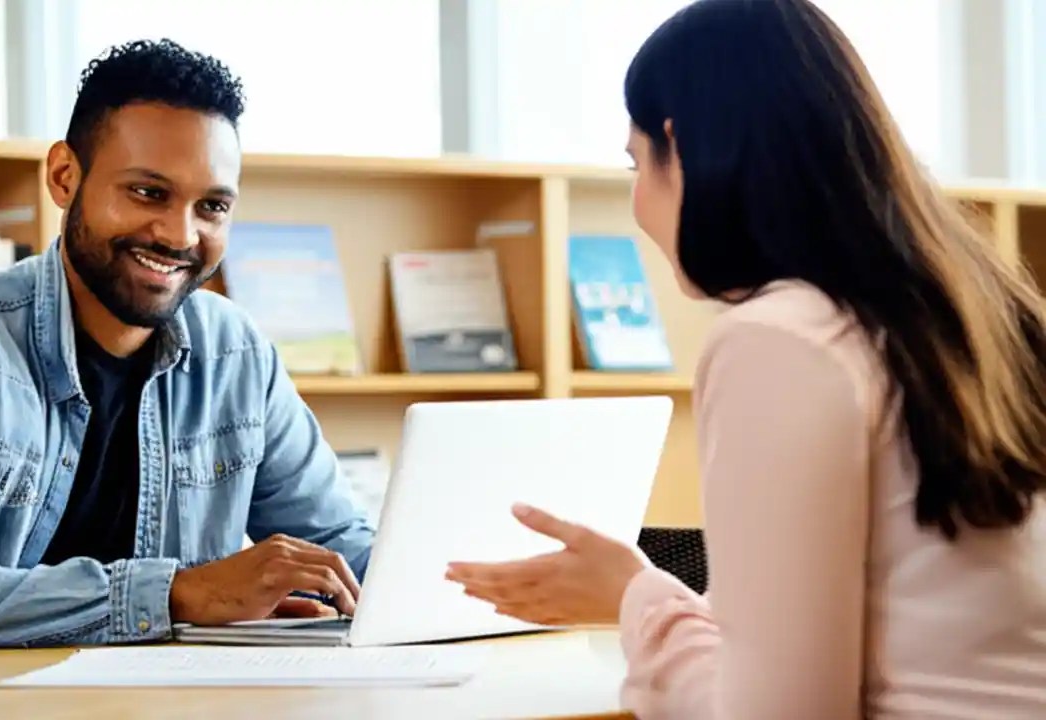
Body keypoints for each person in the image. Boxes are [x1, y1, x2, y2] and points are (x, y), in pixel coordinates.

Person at [445, 0, 1046, 717]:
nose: (638, 202)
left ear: (681, 144)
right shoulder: (982, 318)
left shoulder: (782, 340)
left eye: (637, 162)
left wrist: (638, 599)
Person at [0, 39, 374, 659]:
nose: (179, 234)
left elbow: (345, 549)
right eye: (148, 192)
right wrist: (174, 596)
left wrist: (478, 583)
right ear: (65, 177)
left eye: (213, 206)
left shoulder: (236, 354)